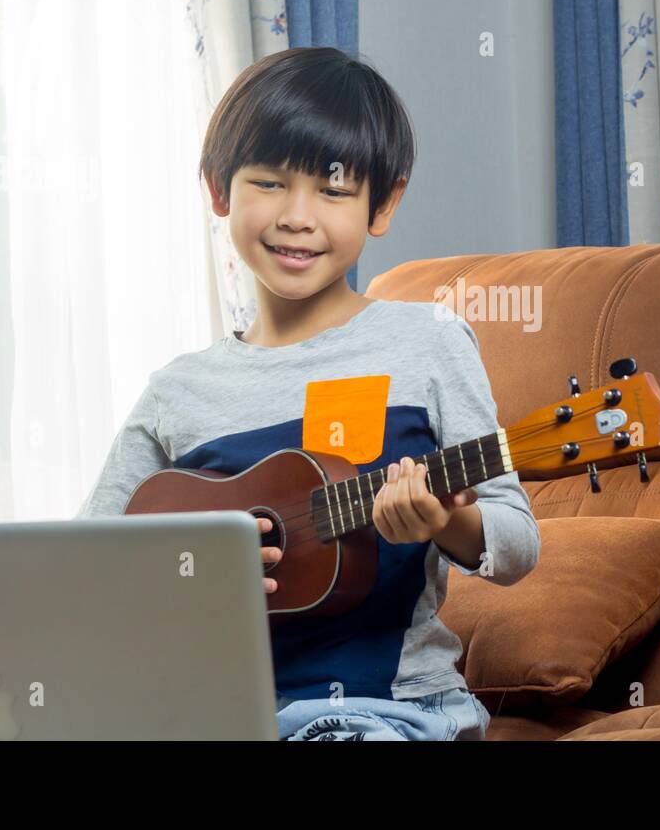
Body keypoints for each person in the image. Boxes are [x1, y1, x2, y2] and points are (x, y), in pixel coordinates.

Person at [76, 46, 540, 740]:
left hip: (384, 710)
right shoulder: (178, 393)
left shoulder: (429, 344)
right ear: (218, 190)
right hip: (207, 714)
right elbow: (84, 567)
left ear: (383, 204)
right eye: (268, 182)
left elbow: (516, 539)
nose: (298, 216)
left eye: (333, 190)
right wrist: (180, 579)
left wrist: (443, 522)